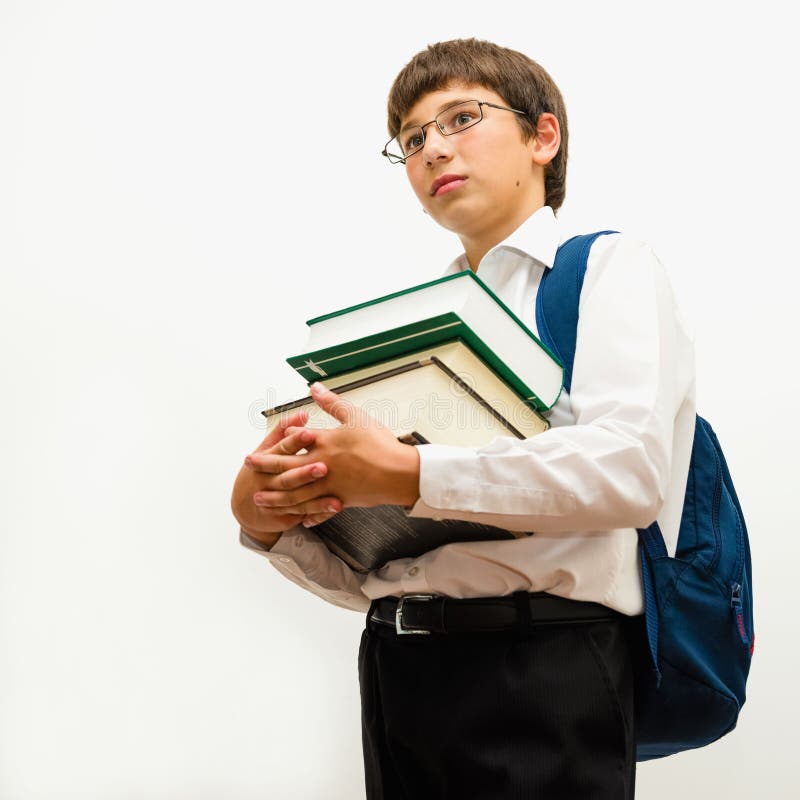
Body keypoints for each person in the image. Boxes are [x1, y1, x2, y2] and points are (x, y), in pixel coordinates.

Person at [230, 38, 695, 800]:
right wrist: (275, 521)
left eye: (461, 118)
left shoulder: (607, 268)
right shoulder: (415, 322)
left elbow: (628, 471)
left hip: (541, 670)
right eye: (412, 139)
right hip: (396, 671)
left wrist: (409, 472)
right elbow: (392, 568)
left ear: (543, 137)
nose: (432, 149)